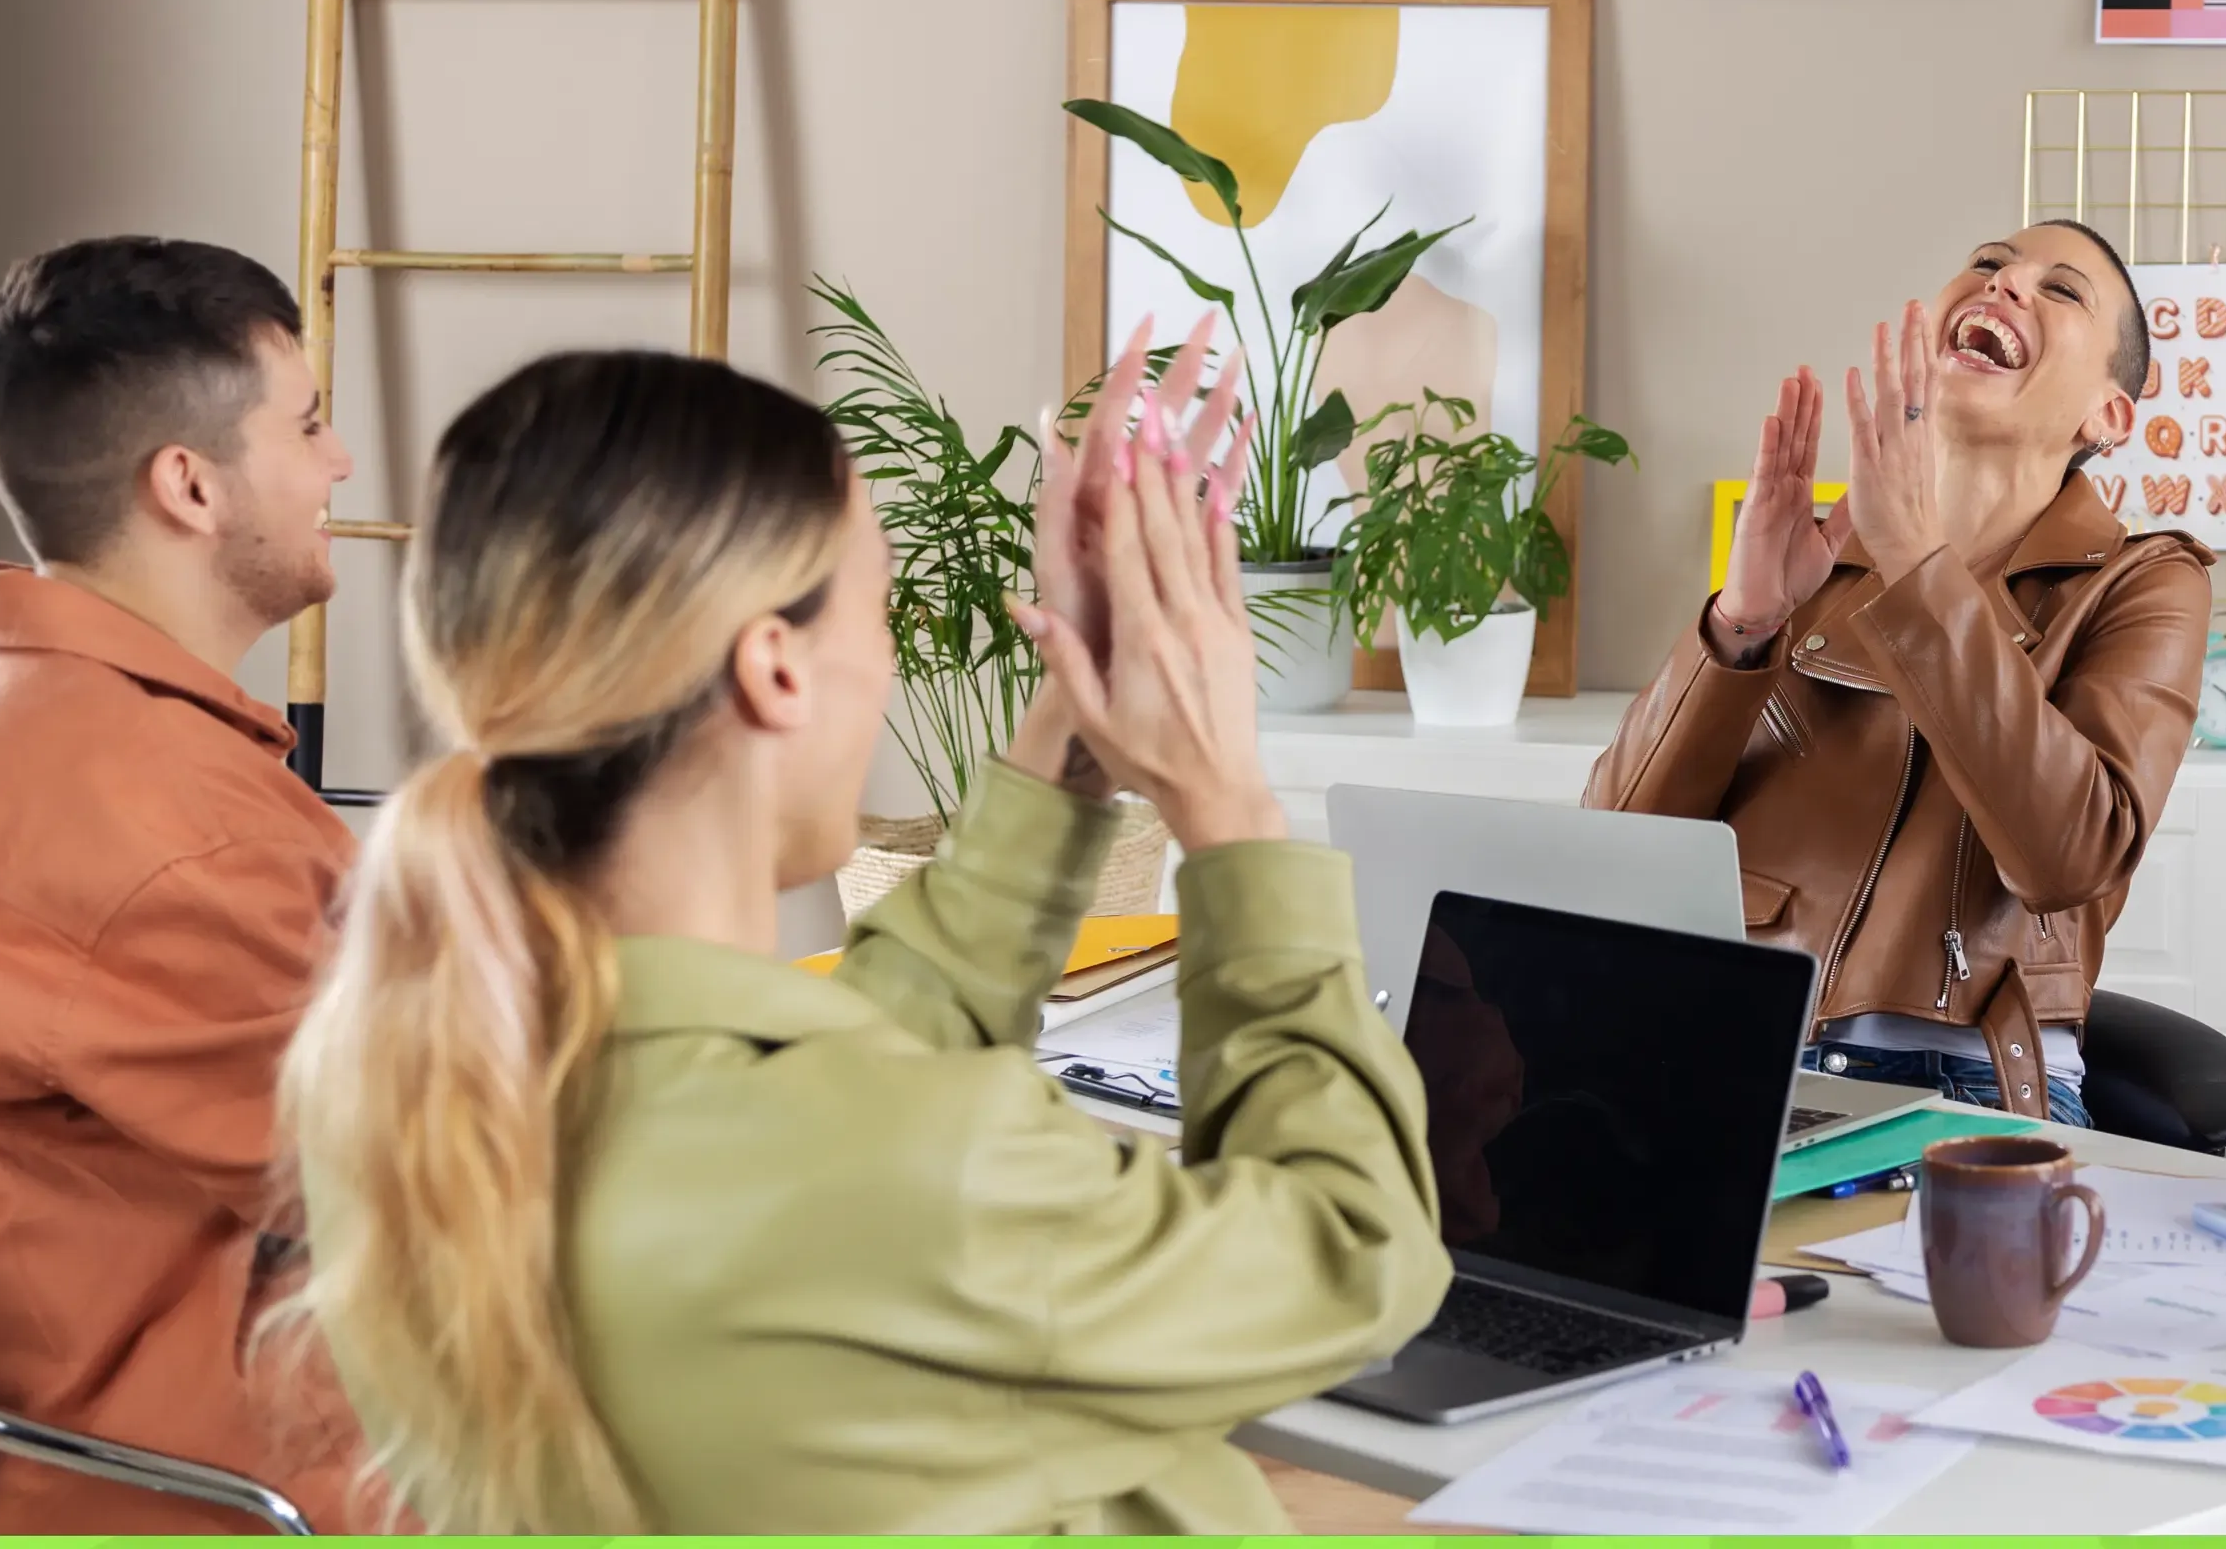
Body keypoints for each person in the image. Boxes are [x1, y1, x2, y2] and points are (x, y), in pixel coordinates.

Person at [264, 322, 1449, 1533]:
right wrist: (1230, 810)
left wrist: (1069, 738)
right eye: (879, 613)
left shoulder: (409, 1089)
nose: (885, 662)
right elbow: (1356, 1254)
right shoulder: (898, 1167)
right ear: (773, 668)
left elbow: (838, 1097)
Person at [0, 236, 363, 1532]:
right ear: (190, 484)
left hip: (108, 1378)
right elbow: (445, 1176)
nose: (340, 463)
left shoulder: (10, 702)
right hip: (249, 1439)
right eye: (311, 425)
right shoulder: (159, 824)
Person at [1586, 222, 2214, 1127]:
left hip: (1962, 1084)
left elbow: (2069, 857)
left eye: (2061, 290)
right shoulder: (1810, 558)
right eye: (1990, 265)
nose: (2003, 287)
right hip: (1725, 1044)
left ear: (2108, 416)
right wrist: (1743, 621)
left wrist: (1920, 567)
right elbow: (1615, 852)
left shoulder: (2144, 581)